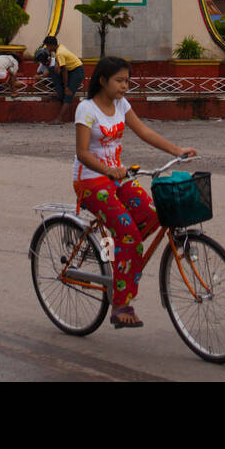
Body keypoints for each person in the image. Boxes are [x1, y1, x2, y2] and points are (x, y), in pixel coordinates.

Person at [73, 55, 196, 330]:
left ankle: (123, 260)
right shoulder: (86, 109)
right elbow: (82, 153)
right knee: (130, 237)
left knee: (154, 216)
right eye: (119, 81)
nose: (125, 86)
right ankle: (120, 304)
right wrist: (108, 170)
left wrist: (177, 151)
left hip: (118, 176)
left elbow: (143, 131)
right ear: (102, 81)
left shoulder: (121, 104)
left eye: (127, 81)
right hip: (92, 181)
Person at [43, 35, 85, 124]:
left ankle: (60, 118)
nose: (47, 48)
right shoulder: (60, 47)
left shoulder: (59, 53)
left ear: (51, 45)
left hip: (76, 71)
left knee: (68, 93)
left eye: (47, 46)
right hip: (73, 70)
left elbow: (64, 70)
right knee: (52, 70)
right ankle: (59, 94)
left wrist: (66, 87)